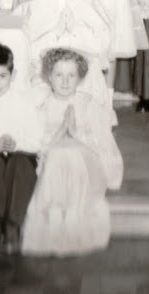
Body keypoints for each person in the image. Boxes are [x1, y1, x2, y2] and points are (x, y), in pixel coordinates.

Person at [22, 48, 123, 256]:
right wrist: (60, 132)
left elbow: (101, 144)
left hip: (84, 170)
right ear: (49, 77)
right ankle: (56, 214)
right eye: (59, 75)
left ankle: (71, 217)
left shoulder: (87, 105)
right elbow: (38, 145)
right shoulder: (43, 106)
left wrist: (76, 133)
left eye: (71, 75)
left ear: (80, 78)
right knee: (59, 152)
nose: (65, 82)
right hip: (52, 168)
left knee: (69, 151)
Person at [20, 0, 117, 104]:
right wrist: (54, 34)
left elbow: (103, 49)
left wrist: (76, 31)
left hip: (84, 81)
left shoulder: (90, 1)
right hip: (45, 79)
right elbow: (24, 52)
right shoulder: (31, 5)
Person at [0, 43, 45, 255]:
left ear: (13, 75)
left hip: (18, 156)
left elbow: (36, 140)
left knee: (21, 163)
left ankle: (13, 224)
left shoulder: (24, 103)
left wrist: (16, 144)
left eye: (2, 76)